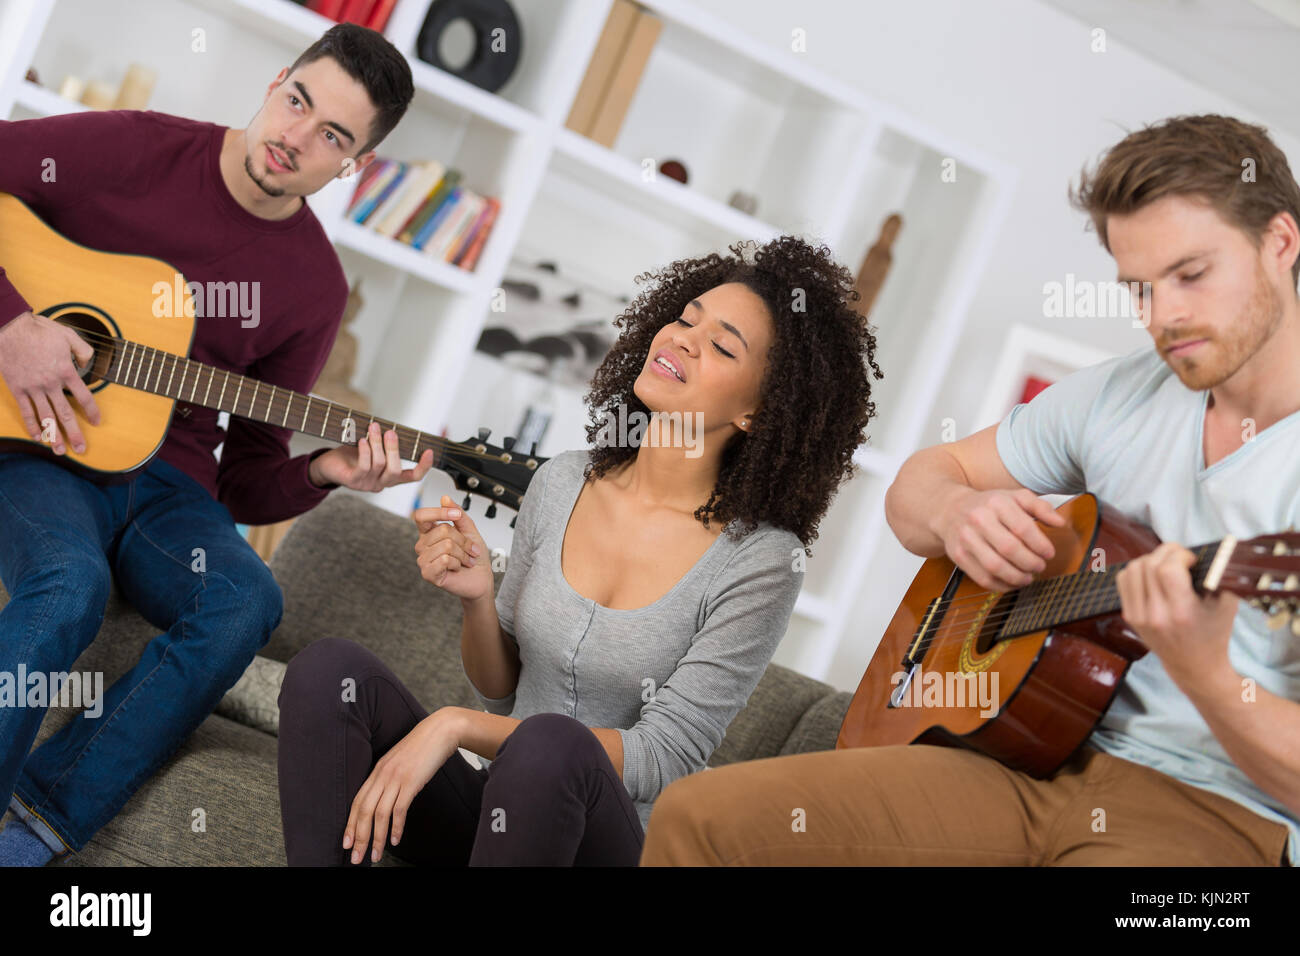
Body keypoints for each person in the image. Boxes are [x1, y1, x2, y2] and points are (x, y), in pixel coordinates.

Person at [639, 113, 1300, 867]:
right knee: (701, 817)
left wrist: (1207, 674)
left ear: (1279, 242)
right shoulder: (1122, 394)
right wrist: (957, 513)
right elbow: (919, 484)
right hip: (1023, 766)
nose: (1165, 317)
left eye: (1191, 275)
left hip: (1221, 826)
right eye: (1140, 289)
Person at [276, 235, 885, 865]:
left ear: (760, 411)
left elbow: (660, 755)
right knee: (331, 673)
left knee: (553, 746)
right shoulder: (565, 480)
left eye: (722, 346)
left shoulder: (760, 560)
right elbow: (504, 693)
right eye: (685, 319)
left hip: (606, 848)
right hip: (504, 823)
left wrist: (452, 724)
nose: (683, 339)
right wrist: (480, 599)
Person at [0, 24, 427, 866]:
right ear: (276, 83)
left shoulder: (315, 286)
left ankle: (37, 826)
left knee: (245, 601)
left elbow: (247, 479)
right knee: (69, 584)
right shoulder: (132, 149)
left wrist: (324, 471)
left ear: (354, 167)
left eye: (333, 136)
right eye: (298, 102)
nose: (296, 137)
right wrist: (14, 321)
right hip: (40, 446)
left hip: (167, 494)